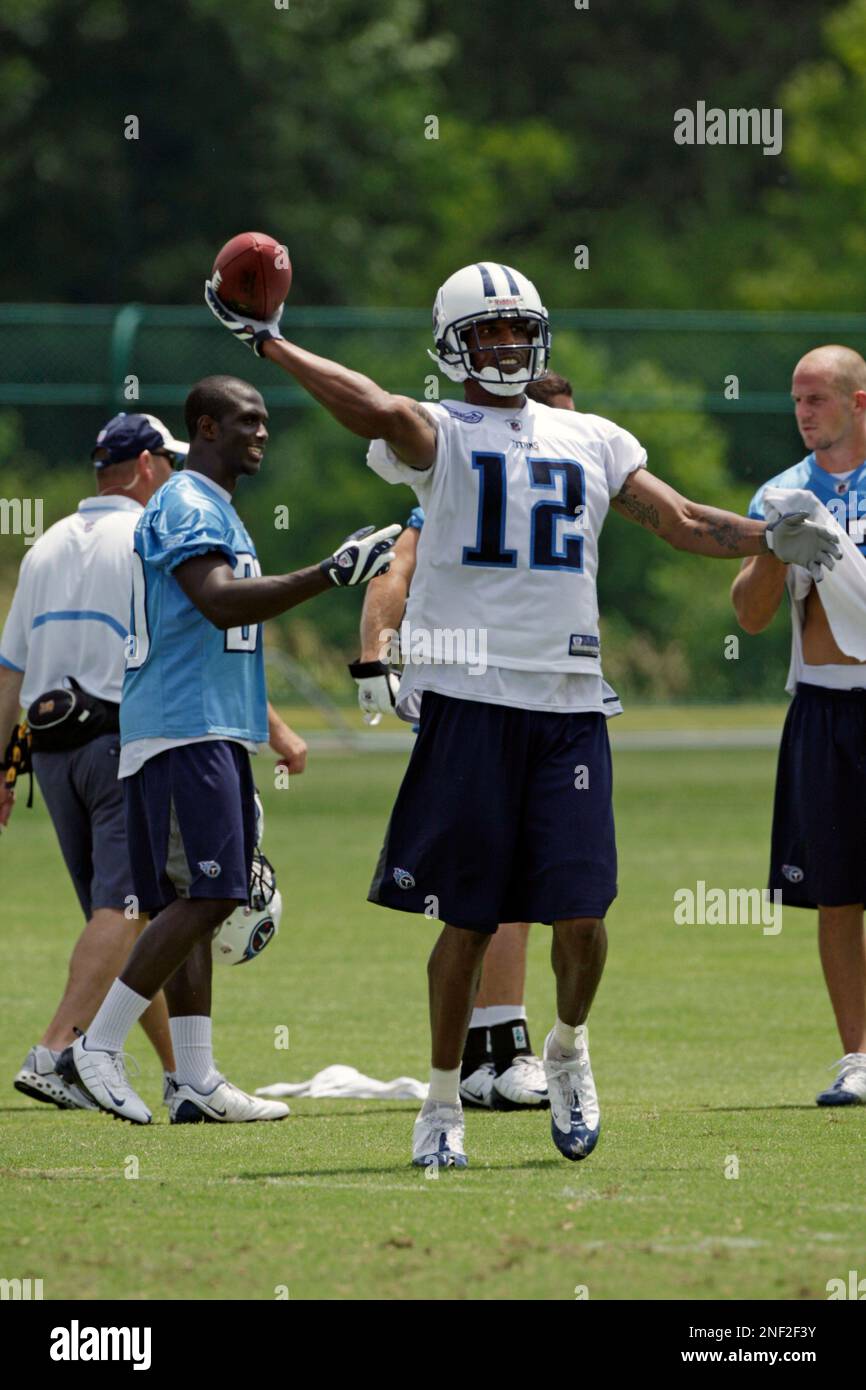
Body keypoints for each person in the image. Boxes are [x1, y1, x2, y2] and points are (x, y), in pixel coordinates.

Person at [205, 260, 839, 1168]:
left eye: (514, 330)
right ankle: (438, 1103)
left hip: (571, 705)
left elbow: (682, 521)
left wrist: (768, 536)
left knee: (583, 916)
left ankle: (569, 1048)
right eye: (486, 332)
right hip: (472, 706)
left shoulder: (591, 435)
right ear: (453, 345)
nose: (503, 346)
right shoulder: (443, 431)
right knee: (466, 920)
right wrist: (269, 343)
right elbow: (374, 408)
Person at [58, 375, 399, 1125]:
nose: (262, 433)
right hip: (183, 725)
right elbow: (216, 600)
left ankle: (194, 1081)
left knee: (196, 902)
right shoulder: (184, 501)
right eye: (247, 420)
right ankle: (96, 1047)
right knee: (211, 894)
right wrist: (327, 574)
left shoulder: (217, 509)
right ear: (205, 427)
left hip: (208, 726)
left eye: (266, 421)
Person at [347, 372, 591, 1112]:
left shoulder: (571, 465)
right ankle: (503, 1046)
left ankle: (492, 1046)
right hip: (475, 693)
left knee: (497, 880)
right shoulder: (473, 469)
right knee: (495, 879)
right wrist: (373, 655)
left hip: (537, 692)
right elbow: (399, 564)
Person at [0, 413, 184, 1110]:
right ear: (144, 468)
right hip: (118, 747)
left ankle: (180, 1076)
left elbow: (7, 673)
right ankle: (54, 1053)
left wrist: (1, 767)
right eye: (169, 462)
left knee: (123, 921)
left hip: (51, 758)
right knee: (126, 909)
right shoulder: (148, 535)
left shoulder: (43, 545)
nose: (173, 476)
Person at [731, 344, 866, 1106]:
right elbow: (749, 618)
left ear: (859, 402)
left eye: (818, 399)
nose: (804, 413)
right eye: (796, 400)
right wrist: (774, 552)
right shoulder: (780, 492)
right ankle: (858, 1054)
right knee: (837, 890)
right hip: (823, 704)